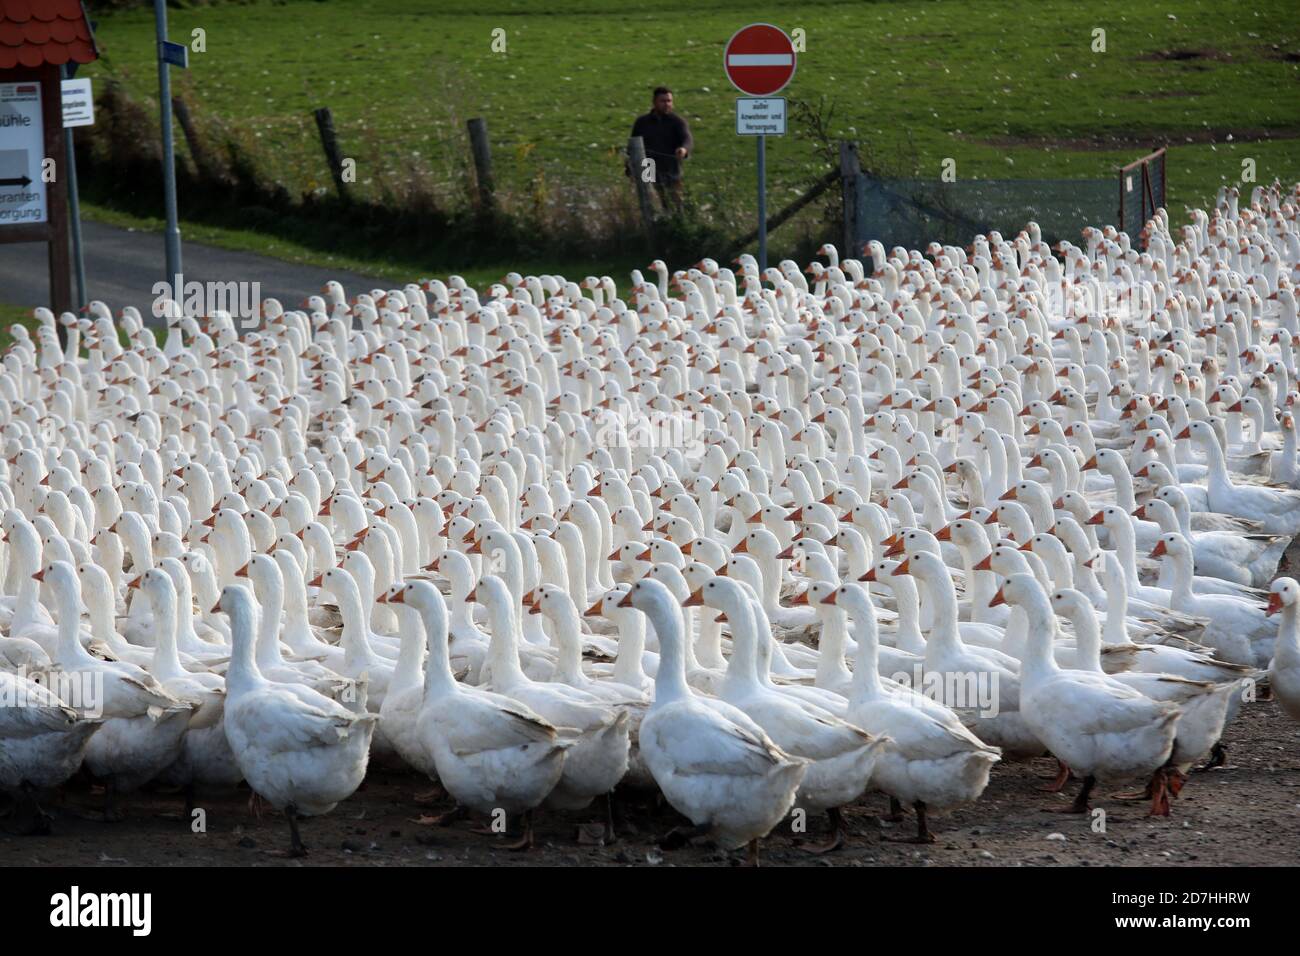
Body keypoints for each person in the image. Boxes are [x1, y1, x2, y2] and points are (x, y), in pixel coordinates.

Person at [629, 86, 693, 210]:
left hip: (671, 171)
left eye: (669, 101)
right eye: (663, 101)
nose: (667, 104)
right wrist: (630, 167)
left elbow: (687, 139)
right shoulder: (642, 122)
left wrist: (683, 149)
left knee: (674, 206)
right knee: (650, 205)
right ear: (654, 102)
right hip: (648, 170)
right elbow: (632, 147)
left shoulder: (677, 122)